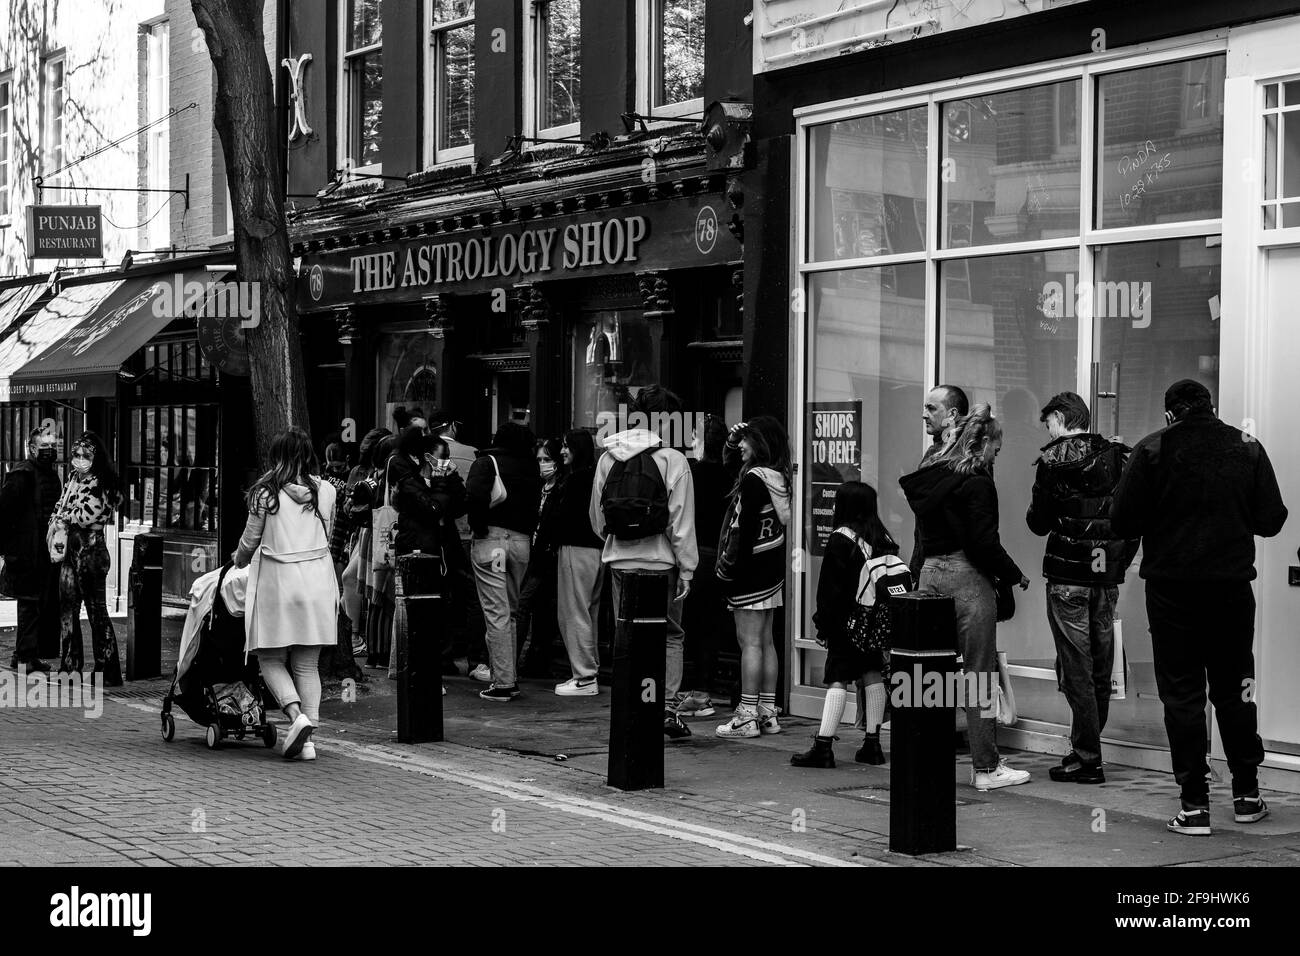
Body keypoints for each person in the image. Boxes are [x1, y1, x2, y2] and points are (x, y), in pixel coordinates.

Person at [1112, 380, 1287, 835]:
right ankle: (1247, 795)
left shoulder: (1152, 449)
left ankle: (1194, 806)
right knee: (1235, 690)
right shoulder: (1246, 447)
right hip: (1230, 589)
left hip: (1172, 591)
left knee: (1182, 694)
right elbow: (1272, 520)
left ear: (1170, 414)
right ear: (1212, 408)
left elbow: (1122, 520)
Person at [900, 404, 1031, 791]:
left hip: (929, 573)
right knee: (977, 675)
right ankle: (986, 768)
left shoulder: (933, 479)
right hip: (966, 578)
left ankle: (924, 760)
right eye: (997, 450)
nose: (996, 457)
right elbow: (983, 542)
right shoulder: (977, 482)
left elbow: (921, 538)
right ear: (984, 442)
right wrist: (1014, 575)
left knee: (928, 673)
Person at [1026, 392, 1139, 784]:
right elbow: (1134, 521)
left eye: (1049, 424)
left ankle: (1088, 758)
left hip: (1067, 580)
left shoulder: (1053, 460)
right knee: (1100, 667)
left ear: (1059, 417)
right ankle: (1083, 749)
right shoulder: (1120, 457)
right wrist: (1118, 563)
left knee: (1076, 667)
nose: (1049, 432)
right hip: (1105, 580)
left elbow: (1038, 523)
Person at [588, 384, 698, 738]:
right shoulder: (673, 460)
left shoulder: (608, 456)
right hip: (662, 563)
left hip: (619, 561)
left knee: (626, 633)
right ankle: (665, 707)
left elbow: (596, 519)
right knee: (669, 634)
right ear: (667, 420)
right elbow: (681, 522)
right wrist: (687, 569)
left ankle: (629, 701)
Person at [233, 427, 340, 761]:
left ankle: (297, 718)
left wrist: (238, 560)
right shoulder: (326, 491)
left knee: (270, 658)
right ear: (309, 455)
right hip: (318, 585)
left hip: (278, 586)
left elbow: (250, 542)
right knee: (307, 665)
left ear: (275, 456)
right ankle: (308, 743)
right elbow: (328, 534)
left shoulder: (265, 494)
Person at [793, 481, 913, 768]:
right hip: (874, 622)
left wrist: (823, 626)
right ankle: (872, 744)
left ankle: (824, 746)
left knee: (838, 677)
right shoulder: (882, 538)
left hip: (847, 623)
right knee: (872, 673)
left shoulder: (840, 539)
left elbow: (829, 591)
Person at [714, 416, 792, 739]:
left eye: (747, 440)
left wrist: (732, 574)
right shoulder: (780, 478)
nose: (741, 445)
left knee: (749, 644)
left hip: (749, 573)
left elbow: (744, 535)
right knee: (767, 641)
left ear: (760, 443)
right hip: (772, 571)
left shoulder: (753, 480)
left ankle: (746, 715)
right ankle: (767, 713)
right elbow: (730, 462)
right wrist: (733, 441)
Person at [465, 422, 542, 701]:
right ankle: (508, 676)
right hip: (521, 543)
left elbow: (473, 497)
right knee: (510, 612)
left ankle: (504, 683)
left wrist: (480, 526)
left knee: (496, 613)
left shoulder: (487, 462)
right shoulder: (532, 467)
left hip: (492, 542)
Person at [53, 432, 125, 686]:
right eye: (76, 454)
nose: (80, 459)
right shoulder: (73, 478)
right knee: (66, 608)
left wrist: (65, 516)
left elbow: (86, 515)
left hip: (91, 552)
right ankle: (70, 665)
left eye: (86, 455)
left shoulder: (101, 482)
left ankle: (107, 668)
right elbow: (60, 507)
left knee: (97, 611)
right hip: (70, 551)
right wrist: (61, 518)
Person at [676, 414, 733, 718]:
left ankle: (688, 690)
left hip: (694, 554)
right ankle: (703, 690)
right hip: (720, 555)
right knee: (711, 626)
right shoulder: (731, 475)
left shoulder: (691, 473)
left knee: (687, 625)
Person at [0, 427, 63, 672]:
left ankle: (25, 654)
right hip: (26, 552)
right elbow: (4, 513)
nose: (50, 452)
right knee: (30, 602)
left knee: (37, 604)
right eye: (45, 448)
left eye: (53, 447)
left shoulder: (51, 475)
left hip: (45, 551)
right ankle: (26, 657)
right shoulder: (21, 475)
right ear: (32, 448)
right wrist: (8, 550)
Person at [431, 413, 487, 679]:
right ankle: (477, 659)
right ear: (452, 426)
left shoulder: (423, 454)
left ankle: (444, 655)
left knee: (442, 595)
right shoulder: (473, 453)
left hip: (437, 538)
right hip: (469, 534)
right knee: (473, 597)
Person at [551, 429, 606, 696]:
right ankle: (589, 669)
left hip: (576, 546)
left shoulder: (575, 480)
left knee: (573, 612)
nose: (562, 451)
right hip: (597, 549)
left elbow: (563, 516)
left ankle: (584, 676)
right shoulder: (596, 476)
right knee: (588, 611)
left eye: (566, 446)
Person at [910, 385, 969, 580]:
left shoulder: (964, 455)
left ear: (952, 414)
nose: (924, 415)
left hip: (948, 567)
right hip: (932, 562)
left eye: (931, 408)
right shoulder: (937, 451)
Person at [518, 438, 565, 678]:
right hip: (534, 554)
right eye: (539, 460)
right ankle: (534, 658)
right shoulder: (538, 487)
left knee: (527, 604)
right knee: (539, 606)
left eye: (547, 459)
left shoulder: (562, 488)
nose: (543, 464)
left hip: (548, 556)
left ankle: (523, 658)